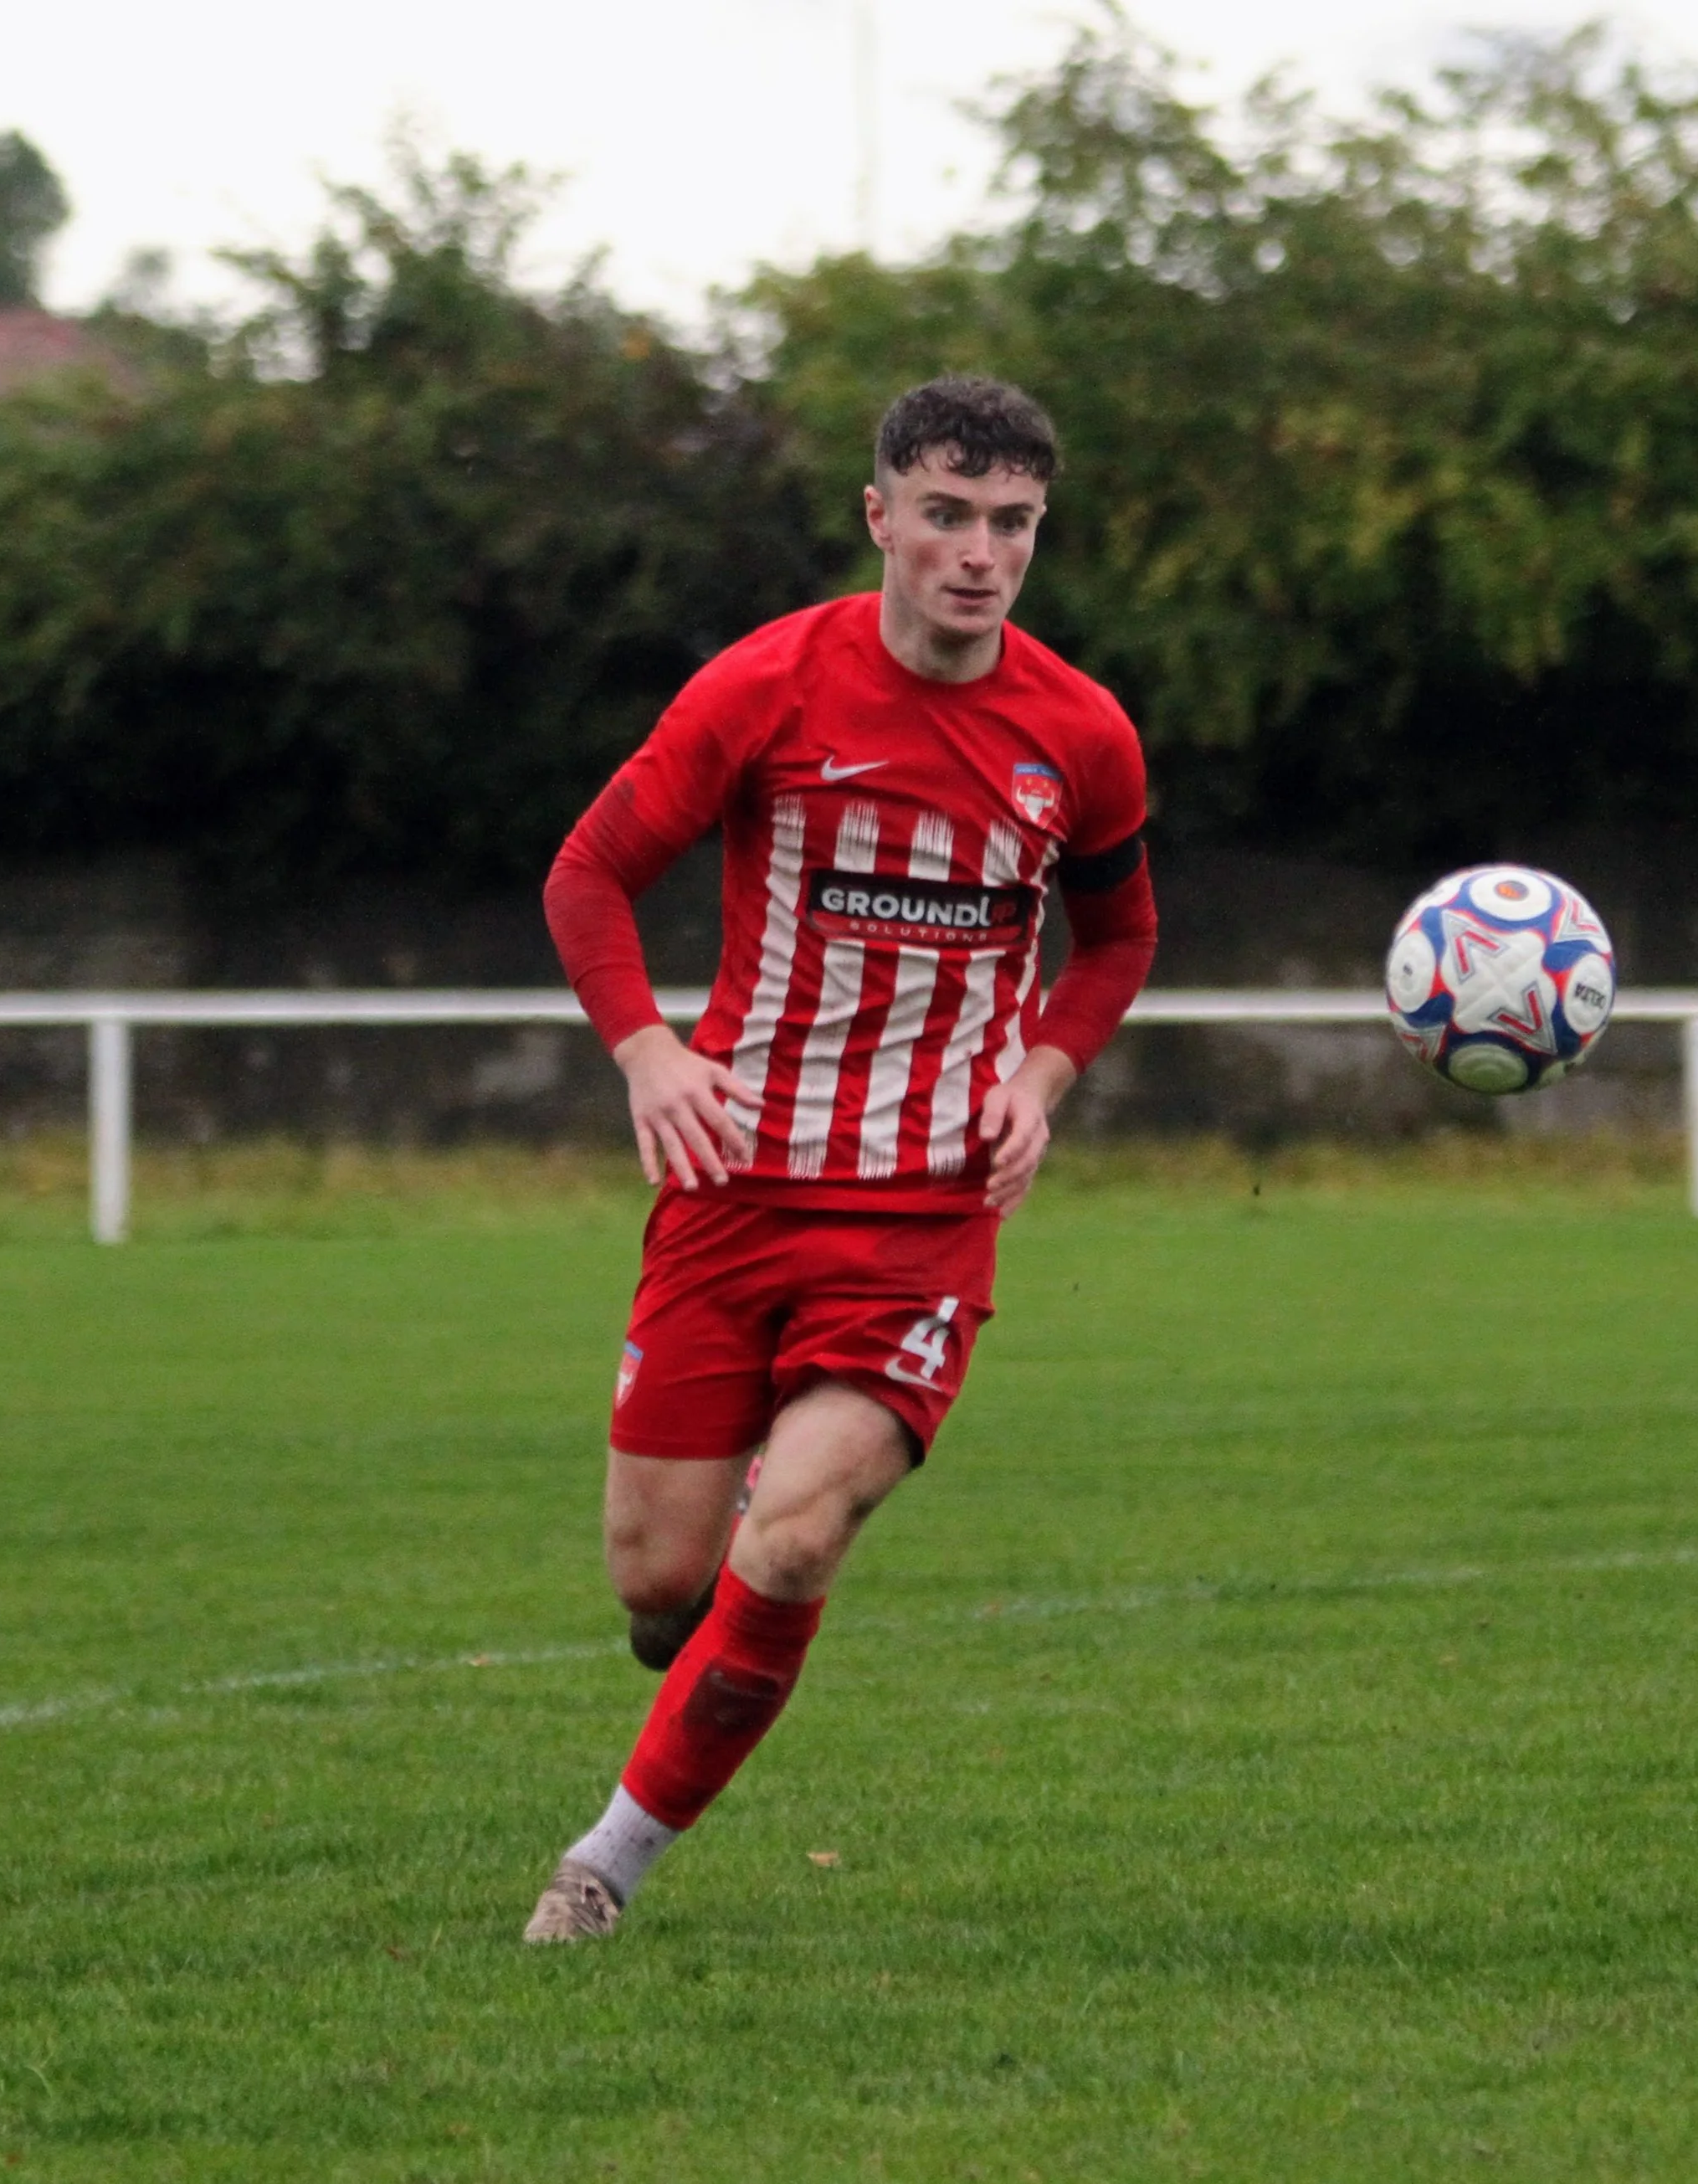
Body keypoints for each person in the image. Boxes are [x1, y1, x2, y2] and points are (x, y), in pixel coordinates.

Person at [525, 373, 1158, 1942]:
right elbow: (592, 873)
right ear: (880, 518)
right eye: (945, 516)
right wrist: (649, 1047)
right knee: (659, 1588)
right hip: (734, 1195)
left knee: (796, 1535)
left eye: (1010, 525)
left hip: (925, 1220)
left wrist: (1048, 1069)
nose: (978, 553)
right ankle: (724, 1569)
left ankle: (601, 1869)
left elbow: (1121, 934)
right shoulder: (767, 688)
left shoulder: (1080, 735)